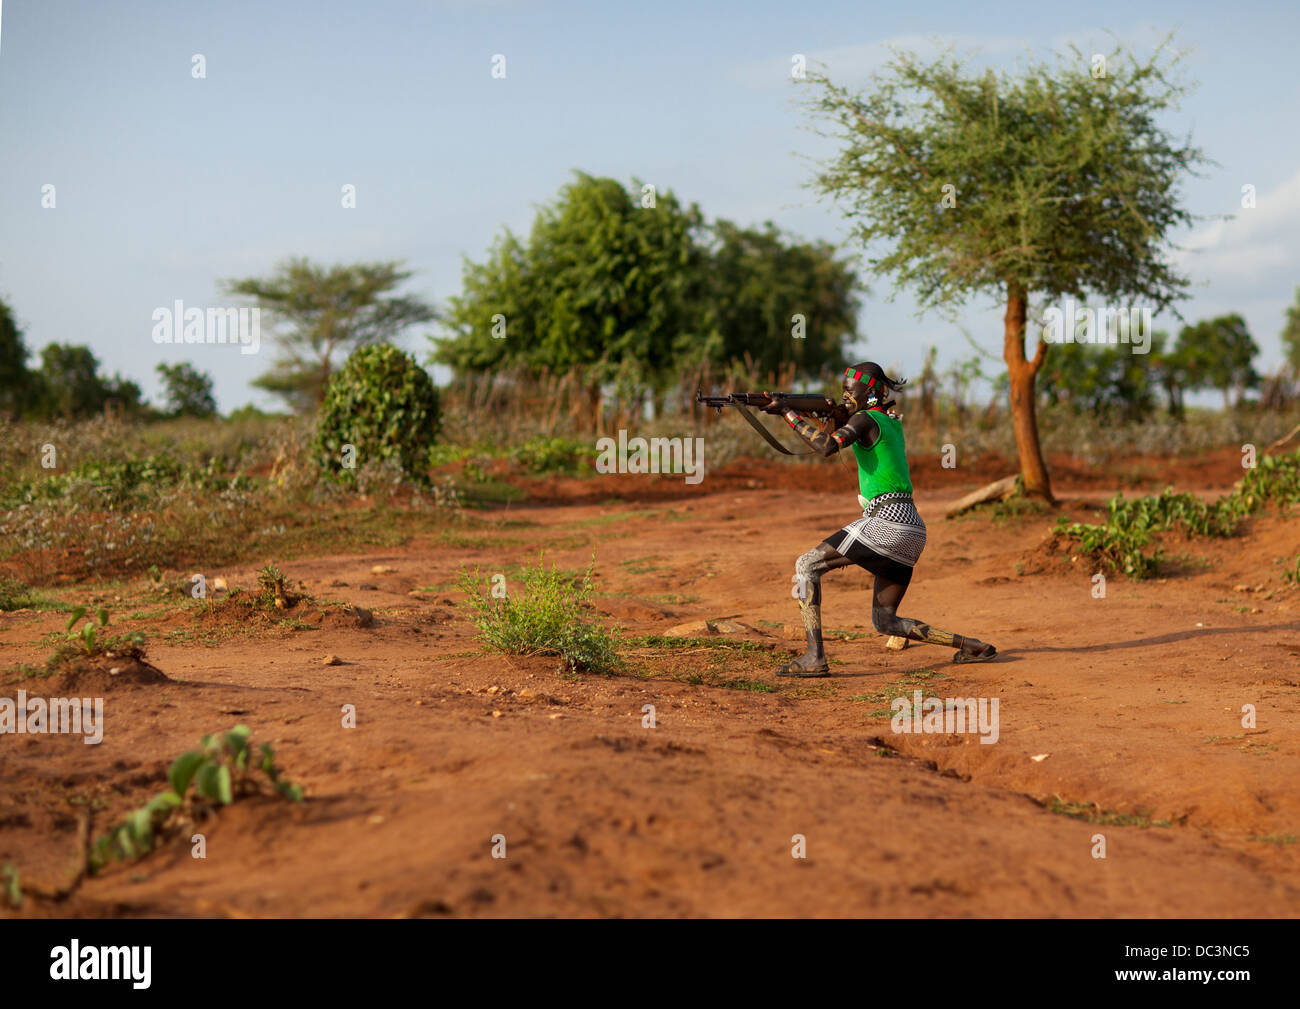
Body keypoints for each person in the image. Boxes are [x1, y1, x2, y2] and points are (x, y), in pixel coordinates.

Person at [763, 362, 998, 677]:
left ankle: (814, 658)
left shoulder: (864, 418)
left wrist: (788, 413)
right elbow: (848, 433)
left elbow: (827, 446)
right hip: (913, 528)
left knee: (806, 565)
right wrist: (828, 415)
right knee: (885, 621)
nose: (844, 395)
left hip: (887, 520)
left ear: (871, 391)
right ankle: (972, 646)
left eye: (850, 389)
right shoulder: (889, 422)